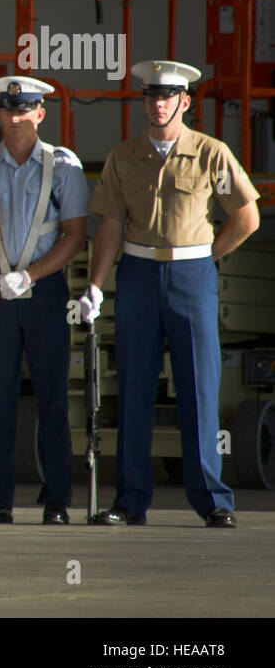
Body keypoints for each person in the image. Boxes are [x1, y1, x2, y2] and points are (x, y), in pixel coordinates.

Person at [82, 60, 259, 528]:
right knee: (134, 388)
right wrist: (95, 287)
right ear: (143, 101)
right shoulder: (124, 157)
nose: (158, 104)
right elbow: (110, 224)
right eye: (150, 96)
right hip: (139, 274)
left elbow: (246, 215)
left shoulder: (210, 154)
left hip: (191, 275)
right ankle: (130, 500)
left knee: (199, 387)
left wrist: (209, 257)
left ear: (185, 101)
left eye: (167, 97)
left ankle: (213, 500)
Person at [0, 76, 88, 525]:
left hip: (43, 289)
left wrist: (31, 275)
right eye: (6, 110)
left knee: (52, 395)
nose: (13, 118)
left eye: (23, 110)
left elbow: (75, 236)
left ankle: (57, 498)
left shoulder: (63, 166)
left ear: (40, 114)